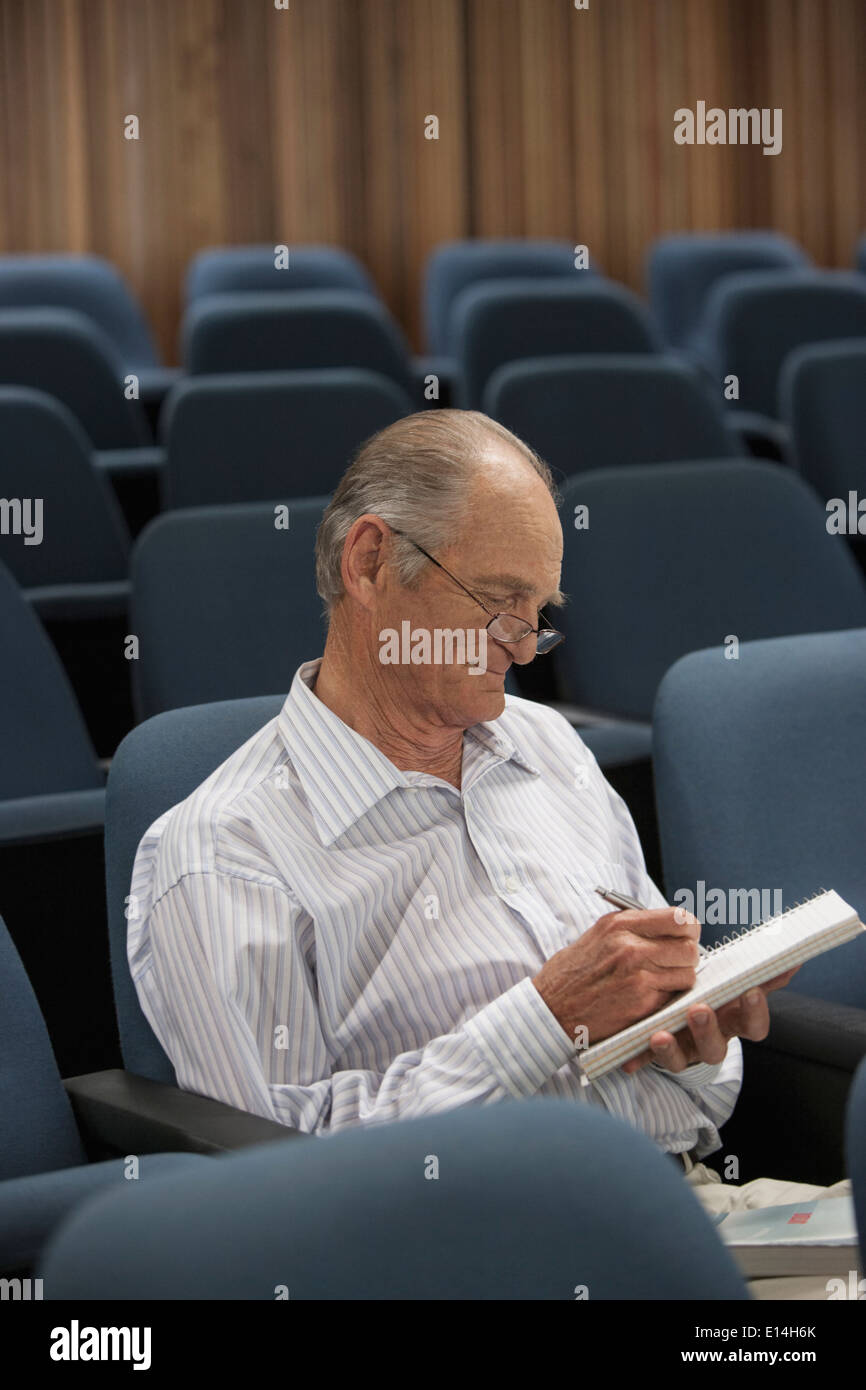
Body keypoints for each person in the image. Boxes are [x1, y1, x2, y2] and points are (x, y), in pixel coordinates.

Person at [128, 409, 852, 1300]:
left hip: (680, 1218)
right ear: (369, 563)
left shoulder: (547, 747)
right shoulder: (222, 852)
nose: (522, 646)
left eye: (538, 615)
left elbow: (694, 1094)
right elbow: (281, 1188)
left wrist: (691, 1042)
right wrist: (543, 1019)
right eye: (497, 603)